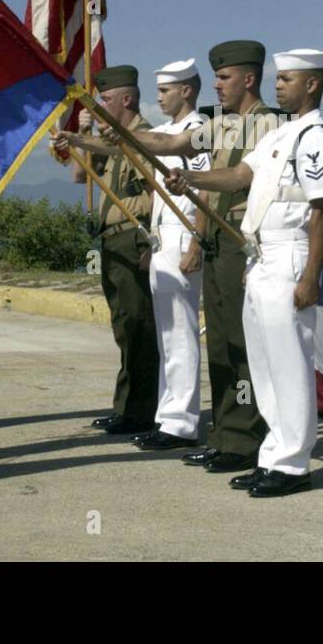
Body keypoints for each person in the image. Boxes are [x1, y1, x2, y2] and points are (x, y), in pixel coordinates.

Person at [168, 49, 323, 497]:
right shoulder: (279, 136)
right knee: (263, 368)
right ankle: (273, 455)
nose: (279, 85)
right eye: (278, 79)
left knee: (289, 366)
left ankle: (294, 465)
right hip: (261, 260)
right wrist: (192, 181)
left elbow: (322, 212)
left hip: (290, 259)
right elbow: (239, 176)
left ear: (313, 84)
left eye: (289, 79)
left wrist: (311, 277)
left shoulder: (315, 138)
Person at [111, 40, 282, 474]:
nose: (217, 85)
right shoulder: (221, 124)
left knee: (242, 348)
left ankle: (246, 437)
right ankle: (226, 434)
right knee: (223, 346)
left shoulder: (270, 125)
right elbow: (171, 143)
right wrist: (123, 134)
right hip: (220, 243)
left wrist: (192, 180)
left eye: (224, 78)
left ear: (247, 78)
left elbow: (242, 177)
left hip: (243, 242)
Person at [56, 66, 160, 436]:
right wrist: (83, 133)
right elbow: (80, 176)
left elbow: (155, 195)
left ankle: (142, 411)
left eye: (106, 100)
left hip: (133, 237)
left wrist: (144, 235)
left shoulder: (145, 138)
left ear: (127, 99)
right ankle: (128, 406)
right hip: (112, 238)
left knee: (139, 326)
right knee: (124, 327)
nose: (101, 106)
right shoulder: (112, 140)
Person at [131, 59, 211, 451]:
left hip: (184, 237)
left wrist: (197, 243)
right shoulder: (162, 132)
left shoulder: (196, 132)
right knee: (167, 335)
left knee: (181, 332)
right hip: (164, 238)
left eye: (165, 90)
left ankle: (181, 423)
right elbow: (154, 192)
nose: (159, 97)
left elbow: (204, 193)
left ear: (187, 91)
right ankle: (168, 416)